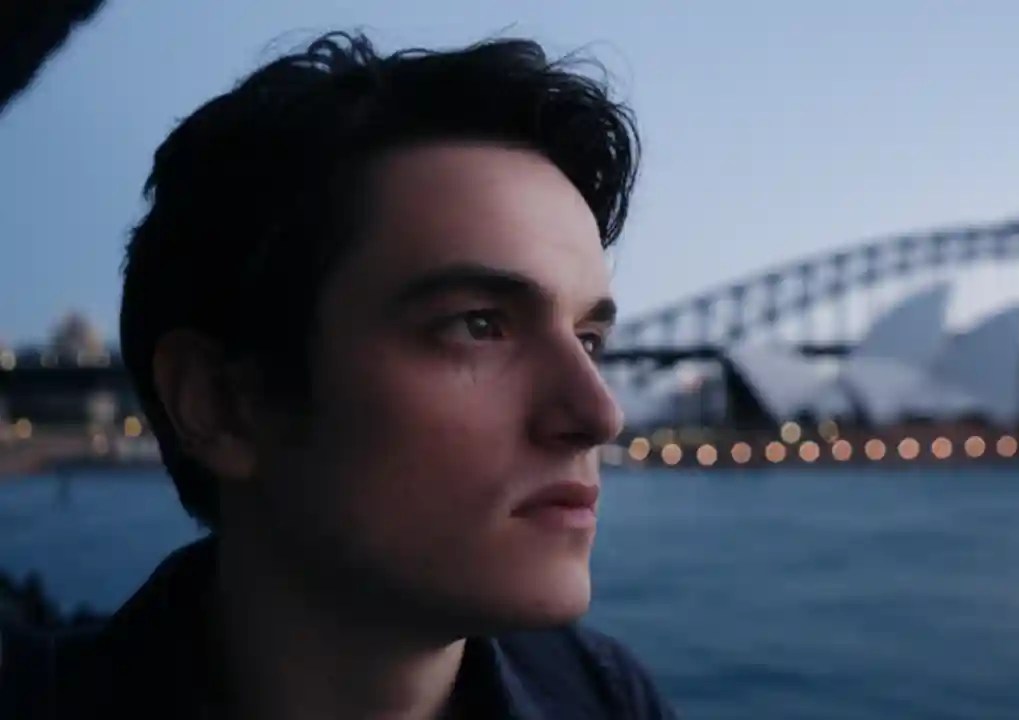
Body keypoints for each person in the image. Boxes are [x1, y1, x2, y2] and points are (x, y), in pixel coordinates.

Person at [36, 29, 674, 719]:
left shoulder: (611, 697)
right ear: (219, 402)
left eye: (588, 339)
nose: (600, 414)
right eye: (478, 325)